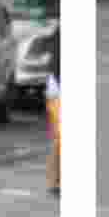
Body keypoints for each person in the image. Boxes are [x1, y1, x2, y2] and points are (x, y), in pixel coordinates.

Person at [44, 27, 61, 198]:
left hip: (56, 87)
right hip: (58, 89)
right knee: (59, 137)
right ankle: (54, 182)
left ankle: (56, 181)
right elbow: (56, 65)